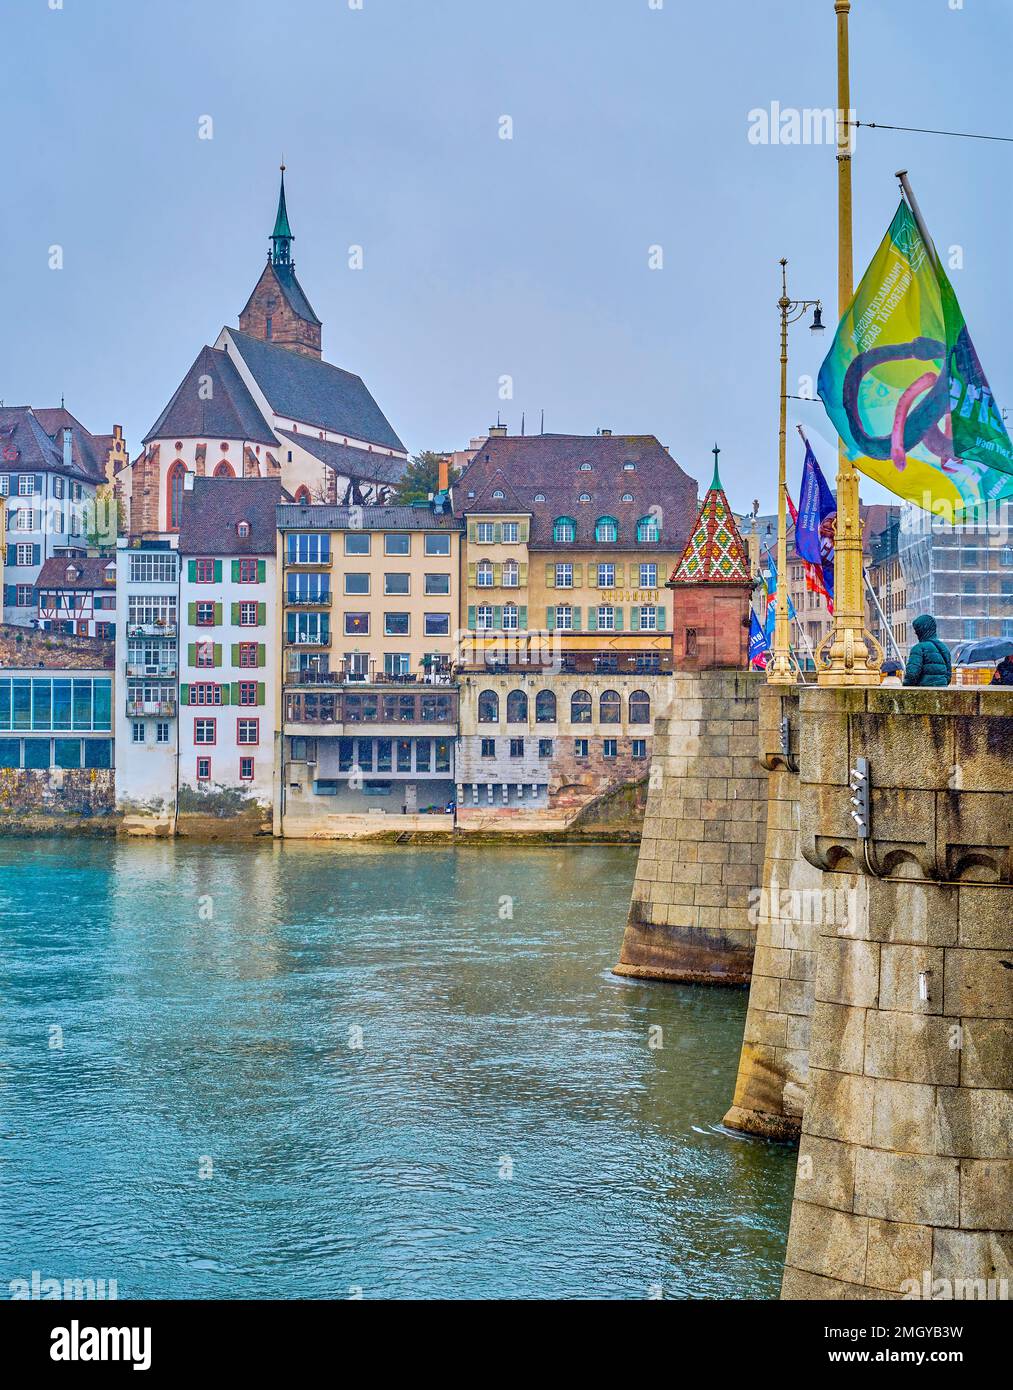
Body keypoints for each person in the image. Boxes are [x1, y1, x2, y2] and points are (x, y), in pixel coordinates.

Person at [903, 614, 952, 688]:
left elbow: (912, 675)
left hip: (924, 693)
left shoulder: (918, 648)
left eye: (917, 630)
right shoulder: (944, 647)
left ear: (921, 630)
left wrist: (905, 686)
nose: (915, 633)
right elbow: (948, 675)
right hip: (942, 692)